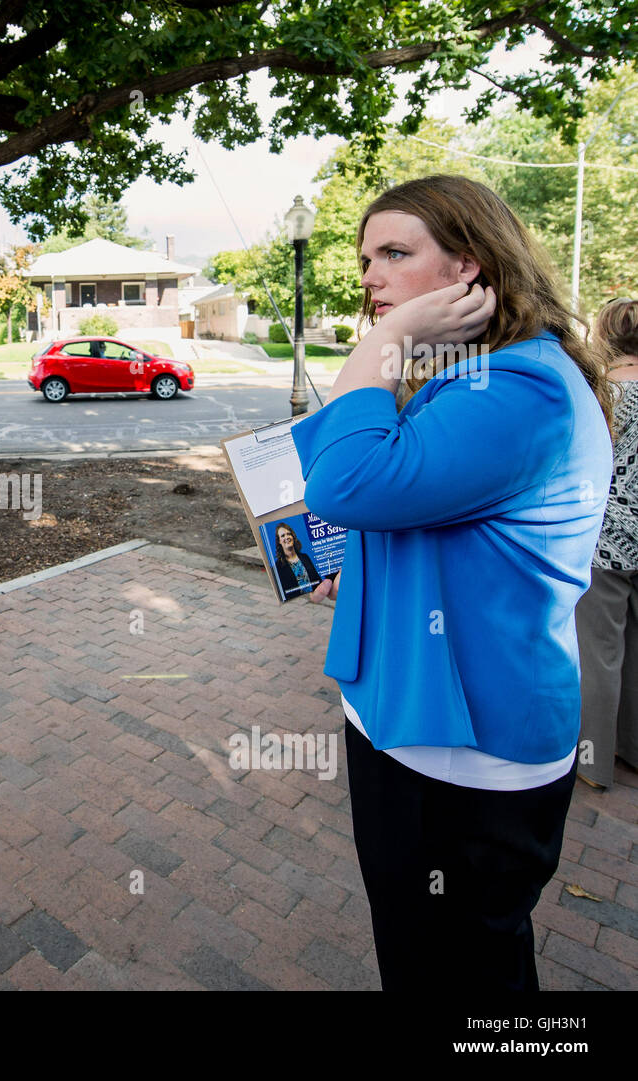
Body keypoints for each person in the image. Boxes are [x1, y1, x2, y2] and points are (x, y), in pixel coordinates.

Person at [292, 175, 612, 991]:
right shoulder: (470, 377)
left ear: (470, 268)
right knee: (438, 954)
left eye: (395, 253)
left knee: (451, 967)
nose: (370, 274)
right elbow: (431, 524)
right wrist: (362, 572)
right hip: (409, 716)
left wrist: (382, 343)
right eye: (366, 257)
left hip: (465, 752)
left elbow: (344, 483)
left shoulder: (522, 384)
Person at [576, 298, 638, 789]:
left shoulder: (602, 396)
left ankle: (593, 763)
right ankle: (631, 747)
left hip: (606, 542)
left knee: (598, 651)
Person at [272, 521, 322, 599]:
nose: (287, 537)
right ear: (279, 541)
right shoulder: (278, 567)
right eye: (282, 536)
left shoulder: (305, 557)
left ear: (293, 536)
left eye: (289, 534)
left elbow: (318, 581)